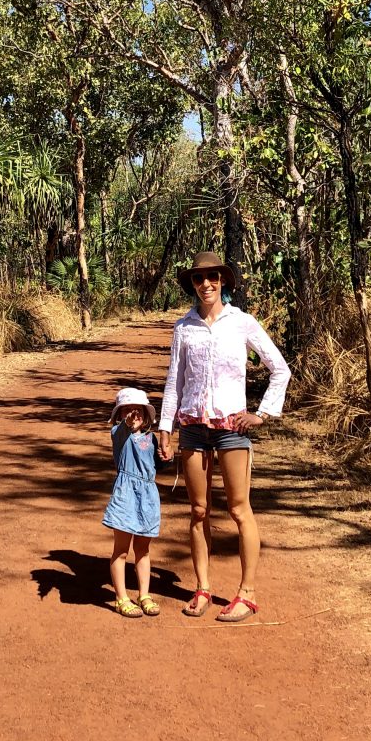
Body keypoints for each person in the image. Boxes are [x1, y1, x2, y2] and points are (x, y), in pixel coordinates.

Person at [157, 250, 292, 623]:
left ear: (224, 281)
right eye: (199, 279)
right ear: (192, 284)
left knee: (238, 509)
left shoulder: (242, 322)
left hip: (232, 429)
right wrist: (165, 428)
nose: (206, 284)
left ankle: (246, 594)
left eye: (213, 277)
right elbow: (175, 381)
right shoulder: (183, 327)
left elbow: (279, 369)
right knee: (198, 510)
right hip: (193, 429)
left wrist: (261, 414)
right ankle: (202, 588)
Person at [102, 386, 163, 618]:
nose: (134, 415)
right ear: (119, 415)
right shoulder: (119, 433)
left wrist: (166, 456)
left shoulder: (151, 438)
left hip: (148, 496)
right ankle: (121, 598)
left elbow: (158, 464)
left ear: (147, 415)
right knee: (121, 550)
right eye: (127, 410)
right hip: (126, 495)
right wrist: (126, 424)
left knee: (143, 549)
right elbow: (121, 433)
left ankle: (144, 594)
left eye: (138, 410)